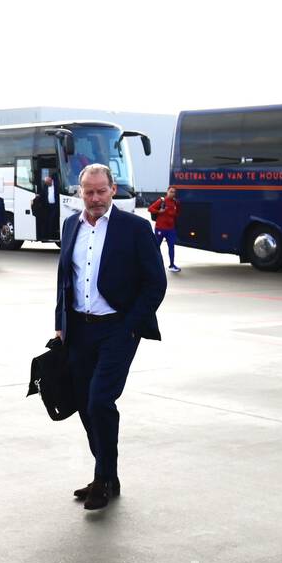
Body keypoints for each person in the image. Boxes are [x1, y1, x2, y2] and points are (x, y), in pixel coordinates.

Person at [54, 164, 167, 511]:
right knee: (85, 404)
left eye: (101, 191)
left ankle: (103, 477)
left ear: (113, 190)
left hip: (117, 328)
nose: (95, 198)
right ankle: (107, 474)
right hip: (79, 329)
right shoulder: (70, 224)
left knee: (101, 400)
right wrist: (60, 323)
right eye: (88, 191)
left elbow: (155, 283)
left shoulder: (134, 228)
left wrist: (131, 325)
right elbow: (65, 279)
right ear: (80, 192)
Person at [148, 186, 181, 272]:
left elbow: (177, 213)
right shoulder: (162, 201)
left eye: (174, 192)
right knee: (156, 247)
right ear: (167, 192)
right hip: (160, 228)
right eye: (171, 191)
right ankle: (152, 265)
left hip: (170, 229)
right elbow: (150, 209)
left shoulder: (175, 202)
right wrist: (159, 211)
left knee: (171, 247)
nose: (172, 193)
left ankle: (172, 265)